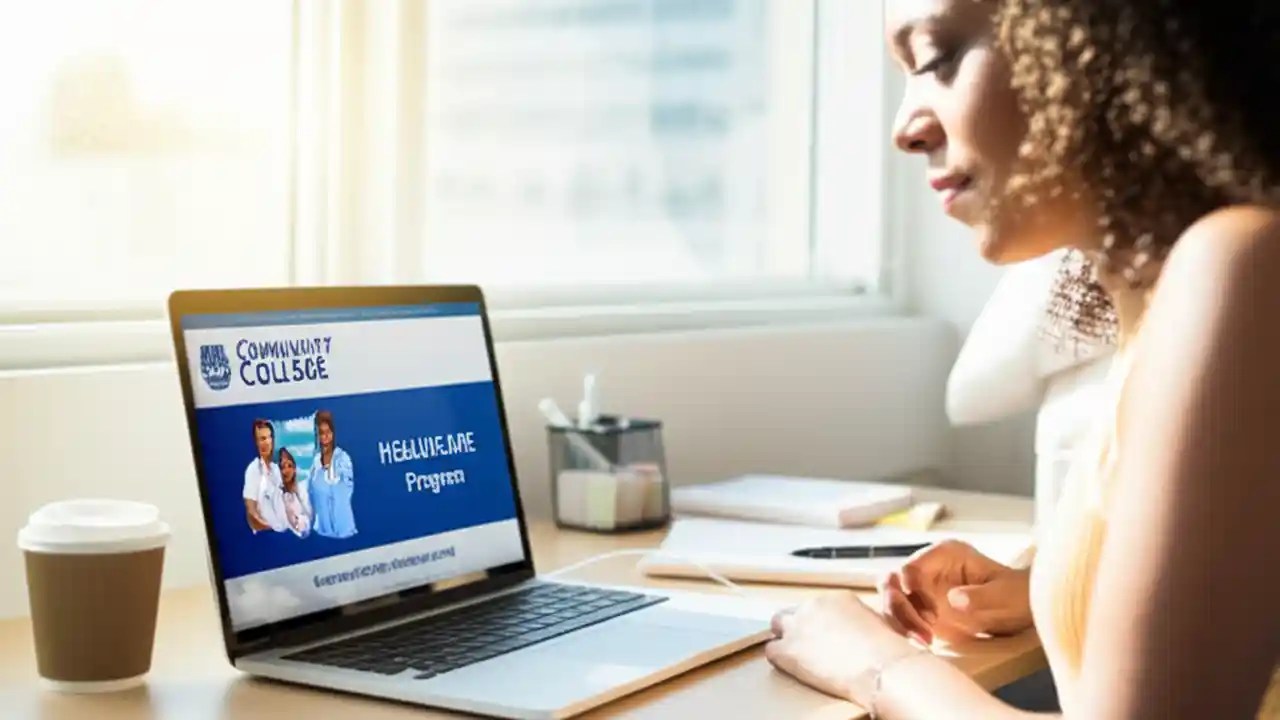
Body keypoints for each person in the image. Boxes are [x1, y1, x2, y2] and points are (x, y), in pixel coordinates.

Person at [765, 2, 1280, 718]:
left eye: (939, 58)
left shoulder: (1245, 268)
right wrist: (1050, 591)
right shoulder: (1163, 305)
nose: (906, 127)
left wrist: (878, 668)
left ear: (1096, 36)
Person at [308, 410, 357, 538]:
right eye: (321, 433)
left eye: (327, 432)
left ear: (333, 433)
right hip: (322, 529)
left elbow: (345, 489)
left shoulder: (343, 458)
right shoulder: (315, 461)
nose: (324, 437)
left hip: (342, 528)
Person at [242, 419, 287, 533]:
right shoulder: (253, 470)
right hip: (266, 536)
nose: (266, 442)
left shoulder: (276, 469)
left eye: (269, 437)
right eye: (262, 439)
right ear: (256, 442)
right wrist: (273, 526)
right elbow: (251, 513)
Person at [278, 448, 313, 538]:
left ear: (294, 469)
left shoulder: (303, 488)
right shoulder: (278, 496)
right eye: (283, 467)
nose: (286, 470)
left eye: (289, 466)